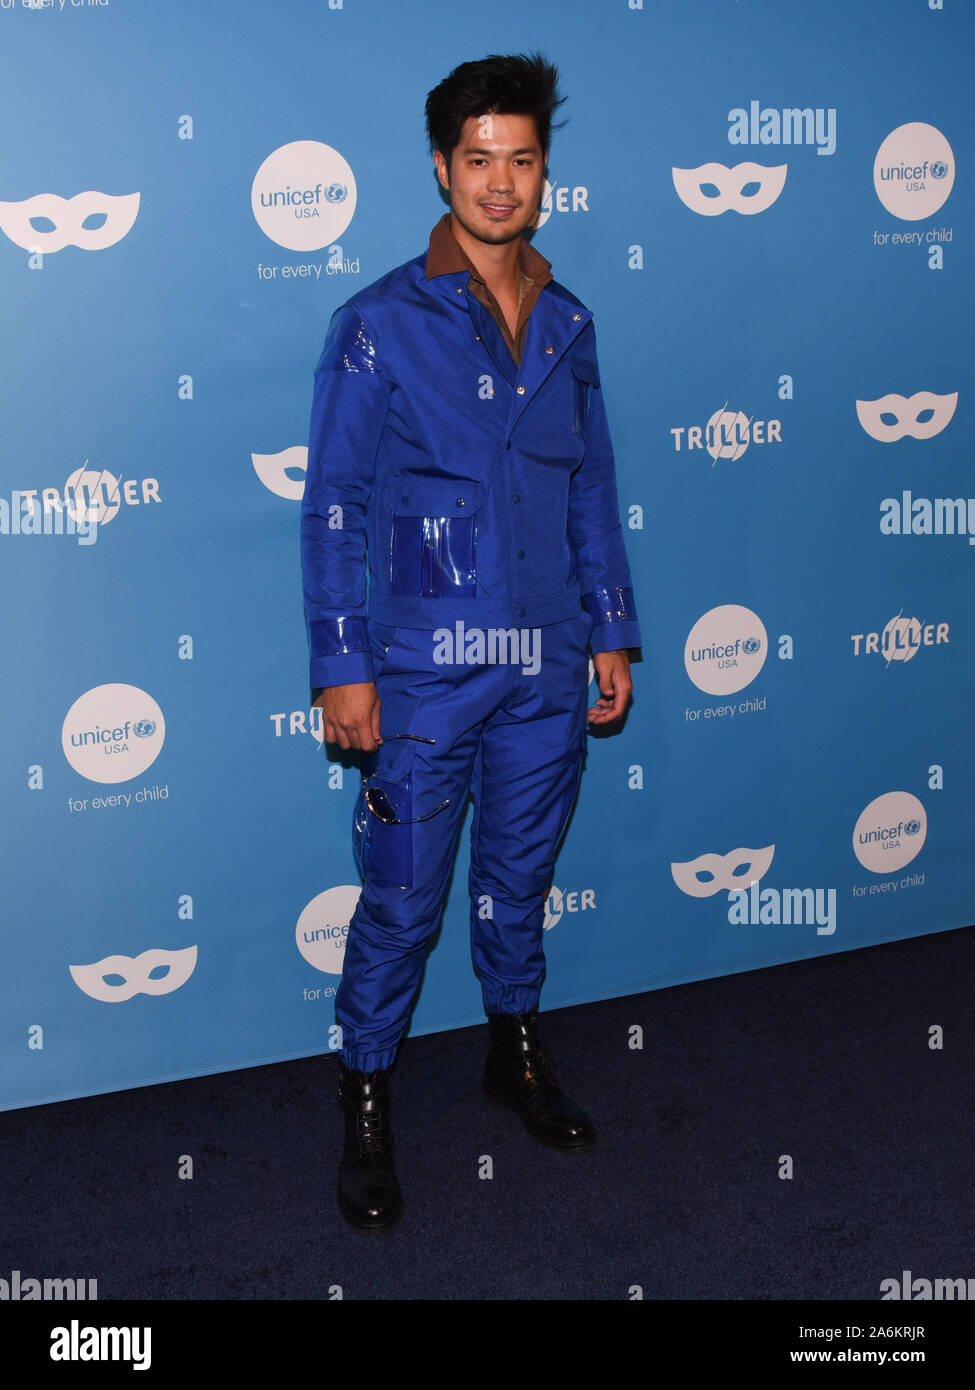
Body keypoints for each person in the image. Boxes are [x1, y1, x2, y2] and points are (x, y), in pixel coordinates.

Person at [301, 52, 642, 1233]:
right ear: (443, 167)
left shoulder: (572, 321)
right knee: (400, 898)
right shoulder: (379, 323)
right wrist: (341, 662)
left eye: (524, 160)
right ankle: (365, 1095)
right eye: (480, 160)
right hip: (426, 670)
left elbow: (591, 486)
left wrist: (613, 630)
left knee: (518, 881)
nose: (502, 184)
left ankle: (515, 1052)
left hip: (551, 659)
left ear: (545, 171)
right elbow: (333, 503)